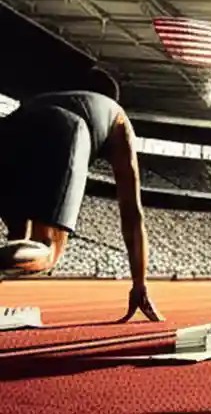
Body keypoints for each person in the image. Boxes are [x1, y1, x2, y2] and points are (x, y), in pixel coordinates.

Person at [0, 68, 162, 322]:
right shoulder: (117, 115)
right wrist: (139, 285)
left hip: (11, 126)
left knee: (18, 240)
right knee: (46, 251)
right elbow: (132, 214)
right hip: (63, 127)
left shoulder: (60, 96)